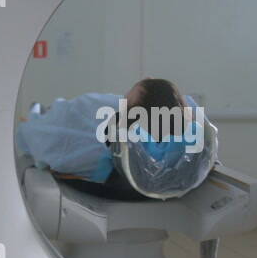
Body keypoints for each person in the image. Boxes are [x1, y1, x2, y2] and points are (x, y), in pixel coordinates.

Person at [16, 78, 210, 201]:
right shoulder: (192, 138)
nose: (123, 100)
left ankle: (40, 114)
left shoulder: (121, 134)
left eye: (128, 98)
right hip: (129, 184)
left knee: (52, 121)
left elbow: (50, 141)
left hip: (110, 178)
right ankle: (42, 114)